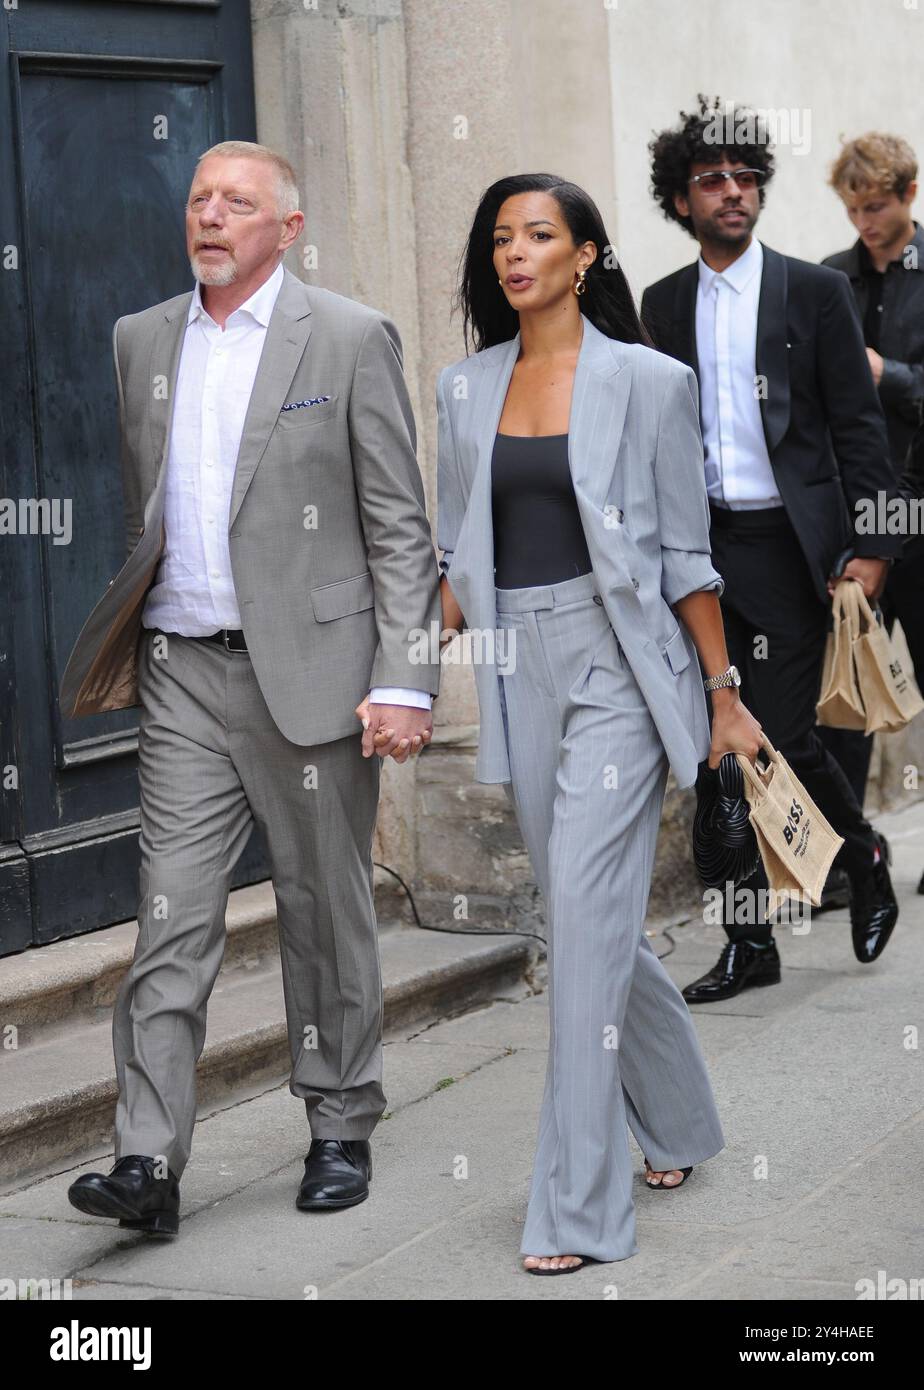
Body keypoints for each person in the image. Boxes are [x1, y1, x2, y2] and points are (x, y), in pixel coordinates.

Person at [60, 141, 440, 1236]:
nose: (211, 217)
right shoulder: (142, 340)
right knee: (168, 916)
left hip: (314, 678)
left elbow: (400, 531)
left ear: (289, 225)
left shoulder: (352, 336)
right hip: (183, 670)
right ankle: (146, 1159)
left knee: (323, 912)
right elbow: (152, 507)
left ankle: (337, 1119)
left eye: (237, 202)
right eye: (198, 200)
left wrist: (405, 680)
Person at [432, 171, 762, 1273]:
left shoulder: (649, 382)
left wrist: (722, 698)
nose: (513, 253)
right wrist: (396, 679)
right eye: (499, 240)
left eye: (538, 235)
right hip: (517, 665)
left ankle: (578, 1205)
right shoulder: (463, 389)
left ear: (584, 257)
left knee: (574, 920)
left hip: (621, 668)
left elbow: (681, 554)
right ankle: (678, 1118)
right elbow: (451, 559)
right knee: (588, 917)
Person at [641, 97, 904, 1005]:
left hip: (790, 547)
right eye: (712, 181)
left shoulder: (814, 292)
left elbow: (861, 430)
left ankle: (861, 853)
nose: (733, 194)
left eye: (746, 178)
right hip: (701, 551)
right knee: (718, 752)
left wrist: (873, 546)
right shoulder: (664, 302)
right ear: (681, 200)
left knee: (783, 735)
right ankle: (749, 941)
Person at [818, 133, 924, 882]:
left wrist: (886, 374)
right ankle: (850, 859)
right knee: (847, 691)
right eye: (855, 207)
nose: (865, 220)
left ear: (909, 196)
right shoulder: (828, 281)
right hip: (859, 516)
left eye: (877, 205)